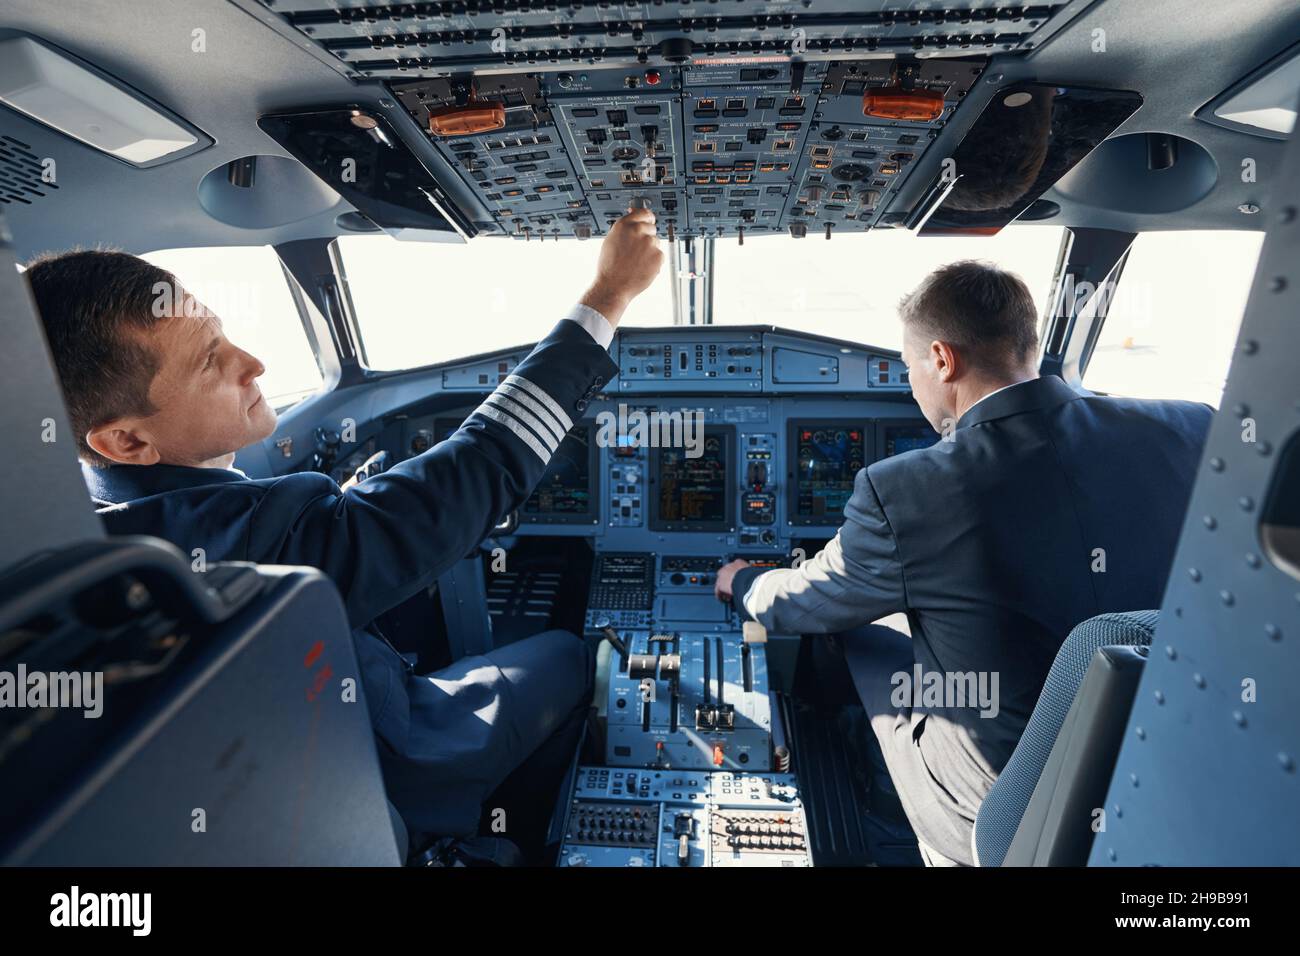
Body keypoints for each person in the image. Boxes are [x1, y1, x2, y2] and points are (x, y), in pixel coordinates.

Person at [26, 209, 664, 853]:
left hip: (290, 772)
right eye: (208, 363)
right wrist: (608, 297)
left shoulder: (94, 539)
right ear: (125, 440)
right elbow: (482, 467)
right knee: (572, 656)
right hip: (385, 761)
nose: (254, 364)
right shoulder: (254, 540)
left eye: (223, 337)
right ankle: (485, 838)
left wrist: (350, 506)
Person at [715, 260, 1212, 866]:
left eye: (909, 369)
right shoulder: (1189, 428)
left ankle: (871, 804)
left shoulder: (903, 488)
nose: (911, 387)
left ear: (943, 360)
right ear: (1028, 343)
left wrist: (740, 581)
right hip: (1167, 768)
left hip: (1011, 808)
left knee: (854, 631)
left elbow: (804, 601)